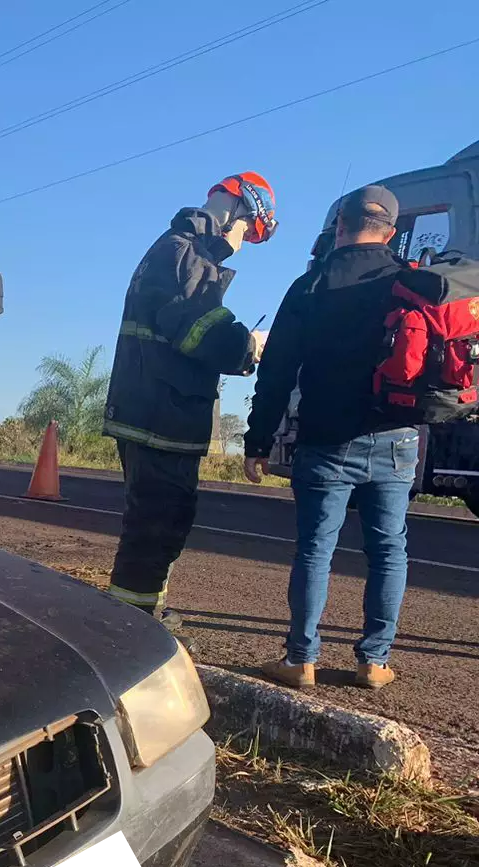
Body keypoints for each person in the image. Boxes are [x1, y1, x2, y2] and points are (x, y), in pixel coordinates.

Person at [244, 184, 411, 690]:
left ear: (339, 224)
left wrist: (257, 441)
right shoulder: (408, 283)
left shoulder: (310, 285)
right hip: (397, 437)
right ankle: (375, 661)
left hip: (325, 438)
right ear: (392, 232)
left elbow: (275, 371)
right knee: (389, 550)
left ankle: (301, 659)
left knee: (316, 549)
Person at [103, 173, 275, 631]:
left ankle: (141, 618)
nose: (242, 242)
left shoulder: (179, 251)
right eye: (246, 232)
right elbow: (199, 329)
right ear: (238, 212)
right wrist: (250, 346)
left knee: (162, 522)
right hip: (161, 412)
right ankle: (131, 630)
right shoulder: (184, 252)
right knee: (155, 526)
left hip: (158, 408)